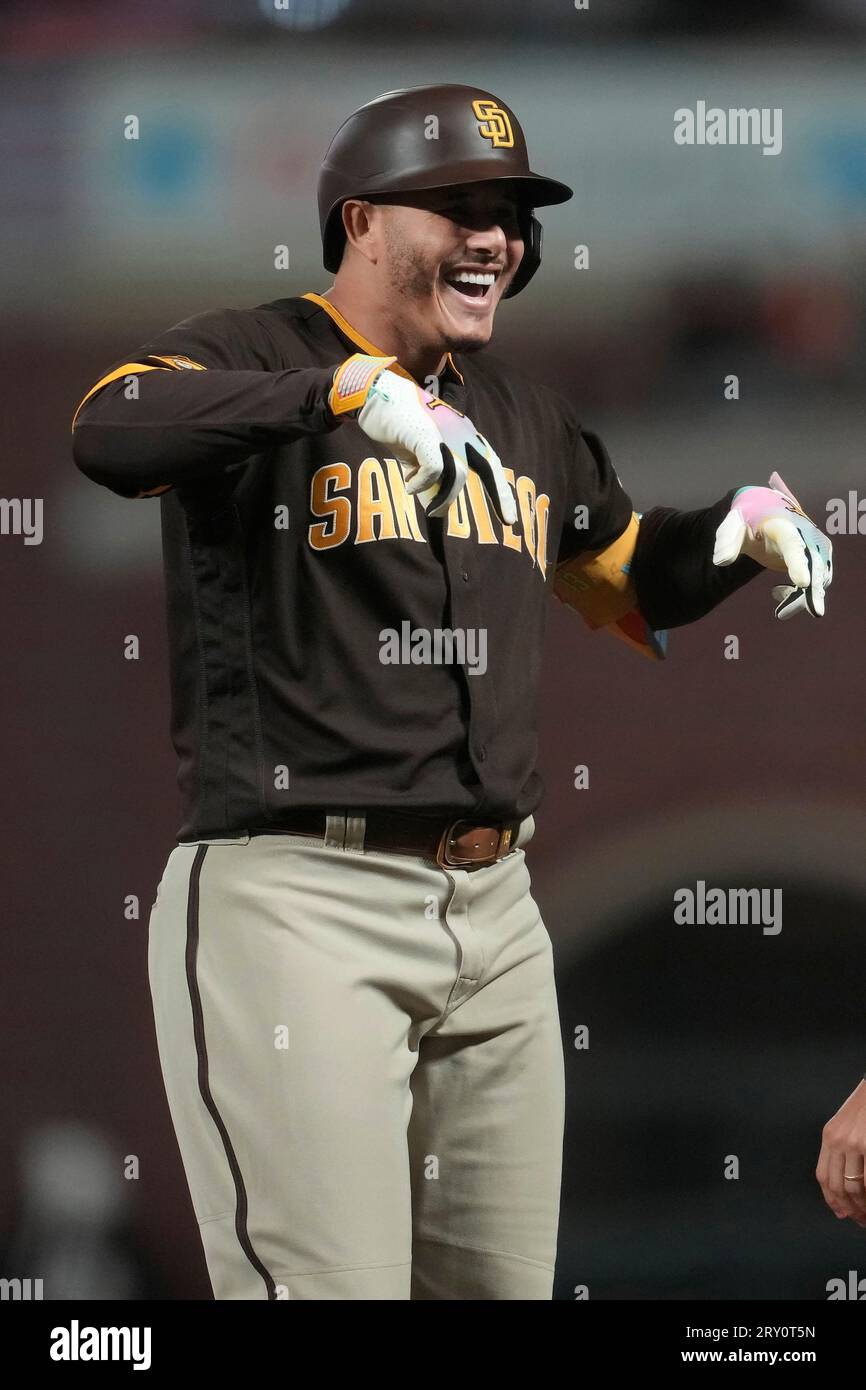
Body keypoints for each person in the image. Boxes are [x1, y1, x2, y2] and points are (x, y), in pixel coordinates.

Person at [71, 84, 833, 1300]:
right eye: (458, 207)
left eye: (511, 213)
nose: (494, 237)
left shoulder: (521, 416)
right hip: (300, 899)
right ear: (362, 221)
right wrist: (336, 394)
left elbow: (624, 569)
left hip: (496, 915)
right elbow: (108, 425)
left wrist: (733, 532)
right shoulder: (260, 350)